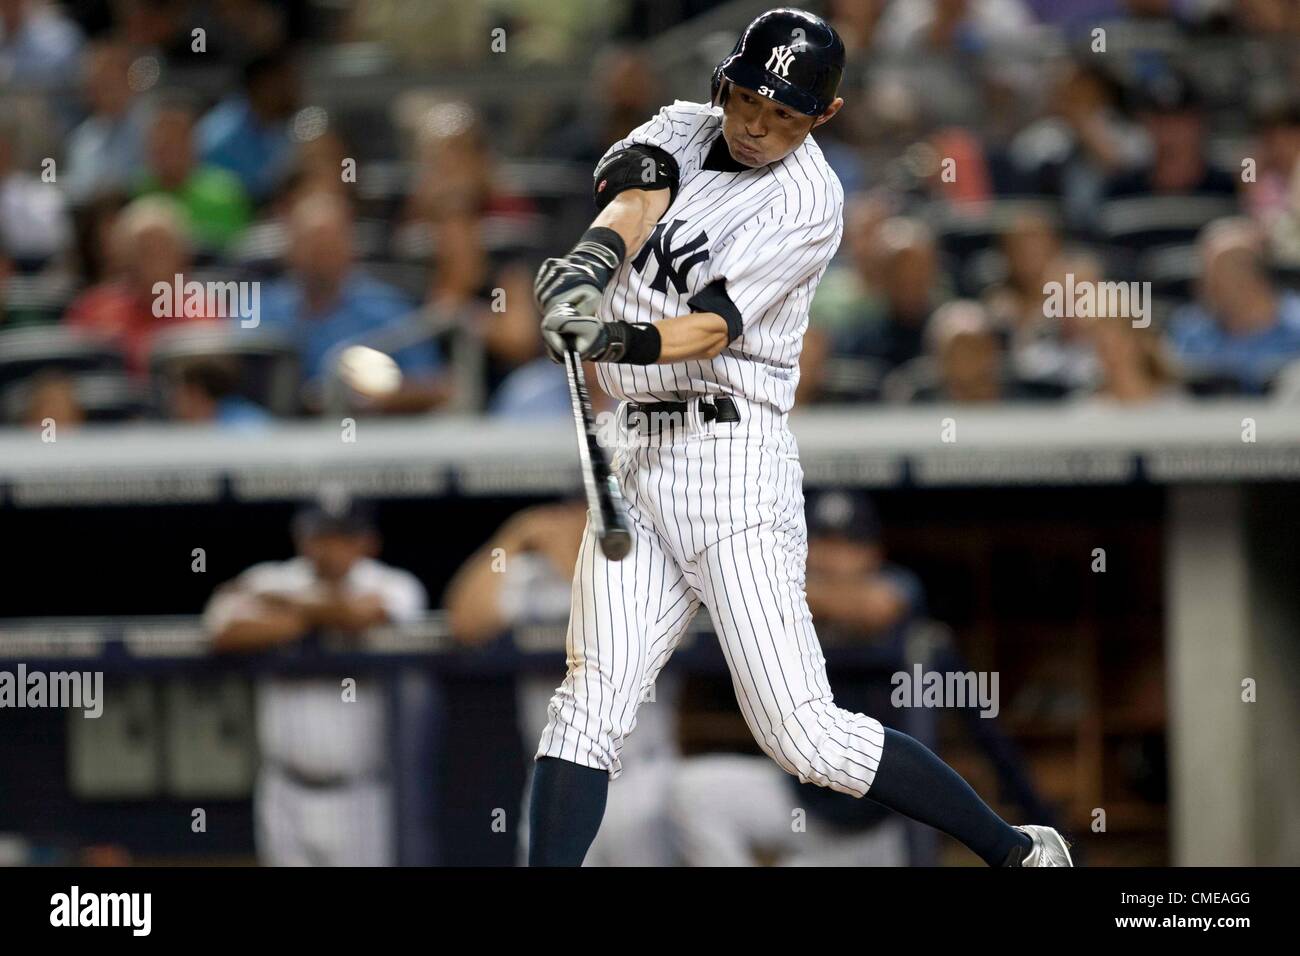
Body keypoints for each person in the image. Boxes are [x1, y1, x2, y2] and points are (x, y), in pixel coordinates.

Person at [525, 8, 1070, 868]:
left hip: (727, 459)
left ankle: (1016, 853)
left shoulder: (810, 199)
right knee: (587, 706)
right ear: (724, 84)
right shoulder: (676, 123)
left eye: (784, 113)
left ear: (825, 114)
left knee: (803, 734)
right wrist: (591, 267)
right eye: (749, 100)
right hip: (630, 445)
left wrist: (610, 338)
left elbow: (709, 331)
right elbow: (636, 200)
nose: (758, 125)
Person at [670, 491, 921, 866]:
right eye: (823, 542)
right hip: (801, 799)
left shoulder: (899, 588)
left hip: (872, 828)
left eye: (847, 545)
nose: (833, 557)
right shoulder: (783, 592)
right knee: (691, 792)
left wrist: (771, 588)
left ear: (873, 553)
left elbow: (874, 607)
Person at [445, 501, 682, 866]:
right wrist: (515, 536)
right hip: (555, 779)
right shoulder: (534, 577)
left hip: (641, 780)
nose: (586, 520)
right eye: (579, 508)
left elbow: (611, 609)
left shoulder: (651, 564)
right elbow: (464, 622)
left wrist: (571, 558)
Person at [203, 494, 427, 866]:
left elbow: (358, 616)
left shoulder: (392, 583)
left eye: (343, 536)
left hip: (360, 791)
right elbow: (224, 630)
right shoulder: (273, 576)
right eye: (321, 535)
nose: (330, 549)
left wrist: (286, 609)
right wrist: (319, 617)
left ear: (368, 542)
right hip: (283, 789)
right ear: (301, 537)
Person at [256, 190, 446, 412]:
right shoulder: (262, 308)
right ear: (291, 248)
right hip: (273, 434)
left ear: (350, 247)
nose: (320, 256)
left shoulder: (387, 309)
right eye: (311, 244)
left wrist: (366, 398)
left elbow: (433, 387)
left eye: (329, 245)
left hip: (368, 433)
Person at [64, 195, 207, 377]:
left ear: (184, 257)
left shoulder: (205, 312)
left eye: (163, 249)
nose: (154, 262)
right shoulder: (92, 311)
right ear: (123, 257)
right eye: (144, 250)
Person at [1167, 217, 1300, 393]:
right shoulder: (1189, 331)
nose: (1219, 283)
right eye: (1211, 273)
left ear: (1261, 273)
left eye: (1236, 267)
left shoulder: (1296, 324)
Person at [135, 90, 252, 252]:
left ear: (194, 141)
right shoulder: (136, 194)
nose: (166, 145)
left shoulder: (226, 192)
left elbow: (239, 253)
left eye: (175, 137)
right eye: (159, 138)